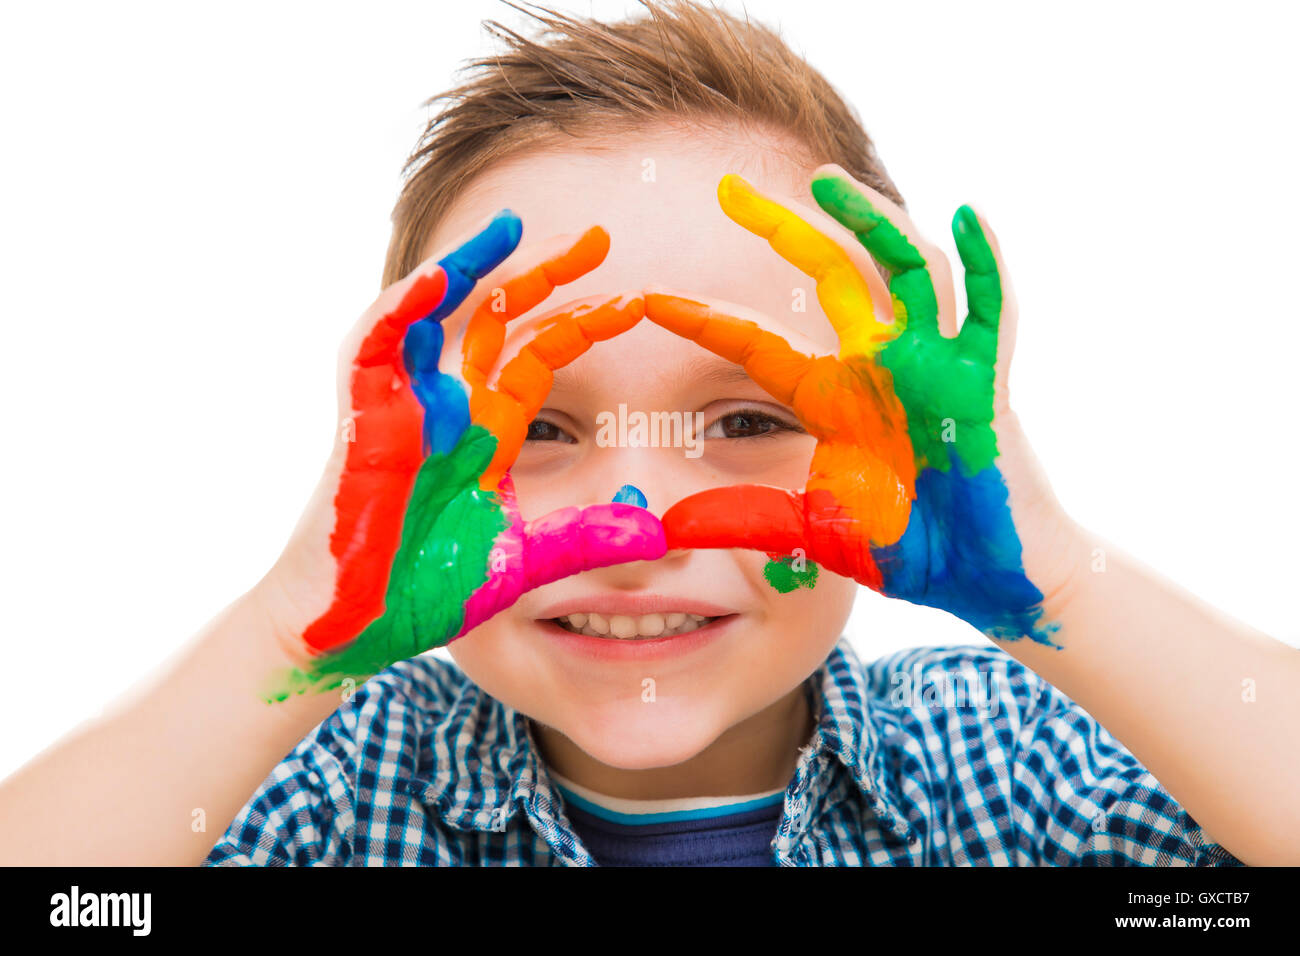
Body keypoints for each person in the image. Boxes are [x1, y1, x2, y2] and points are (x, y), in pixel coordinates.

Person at [1, 0, 1294, 867]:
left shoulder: (1002, 759)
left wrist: (1058, 581)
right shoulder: (336, 777)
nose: (629, 520)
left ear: (904, 438)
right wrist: (291, 635)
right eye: (538, 426)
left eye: (746, 415)